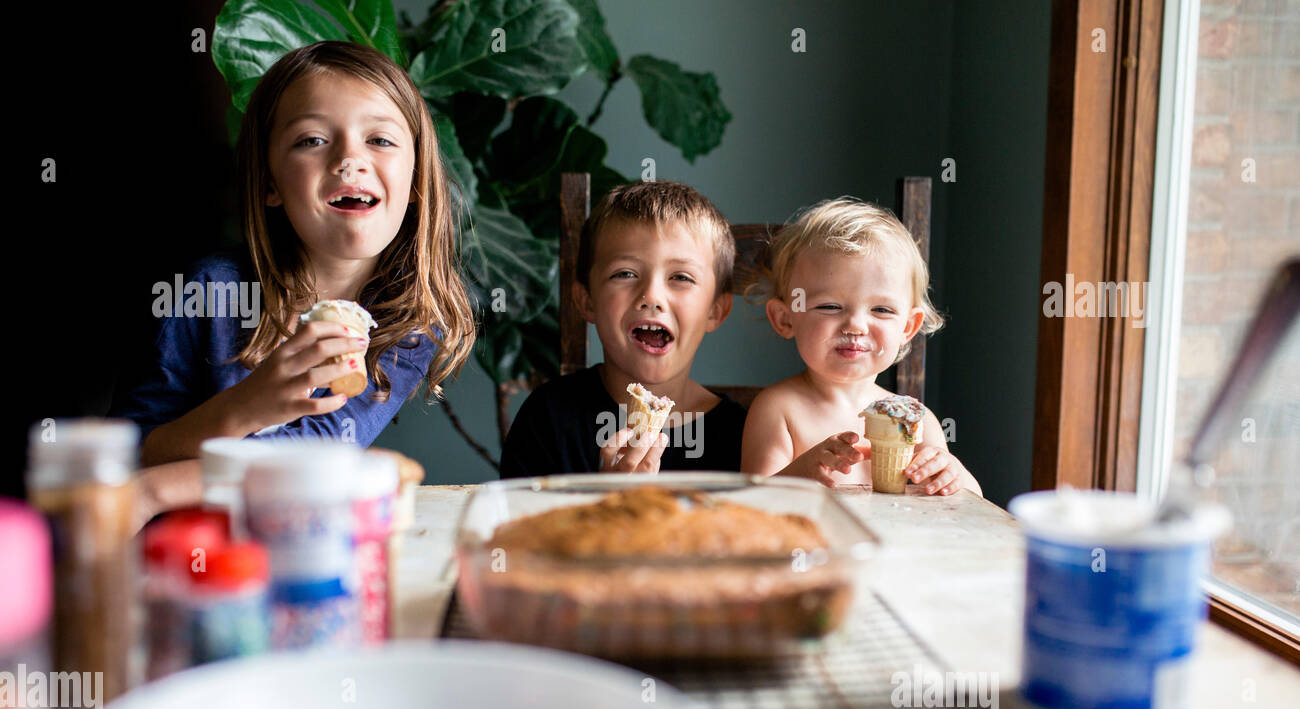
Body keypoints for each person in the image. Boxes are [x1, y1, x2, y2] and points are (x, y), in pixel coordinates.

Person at [112, 41, 474, 472]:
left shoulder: (410, 322)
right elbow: (126, 456)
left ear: (417, 182)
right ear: (270, 184)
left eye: (379, 139)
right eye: (312, 140)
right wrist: (246, 406)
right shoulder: (209, 292)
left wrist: (156, 490)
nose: (349, 159)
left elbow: (309, 458)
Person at [499, 180, 746, 477]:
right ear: (587, 301)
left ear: (715, 311)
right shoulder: (548, 418)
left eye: (681, 277)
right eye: (625, 273)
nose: (652, 296)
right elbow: (520, 522)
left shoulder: (742, 435)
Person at [741, 198, 981, 496]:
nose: (855, 325)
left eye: (881, 310)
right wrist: (798, 475)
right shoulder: (779, 409)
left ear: (907, 327)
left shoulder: (916, 421)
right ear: (785, 319)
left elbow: (969, 505)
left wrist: (953, 475)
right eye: (830, 306)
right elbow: (753, 505)